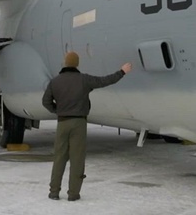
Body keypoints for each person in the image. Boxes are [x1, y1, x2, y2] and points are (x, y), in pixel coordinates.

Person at [41, 52, 132, 201]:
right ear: (77, 64)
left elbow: (45, 101)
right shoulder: (84, 80)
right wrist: (122, 71)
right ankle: (73, 194)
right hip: (79, 123)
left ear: (65, 63)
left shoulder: (55, 81)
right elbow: (105, 81)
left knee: (59, 158)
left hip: (62, 122)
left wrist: (57, 110)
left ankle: (54, 191)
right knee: (77, 158)